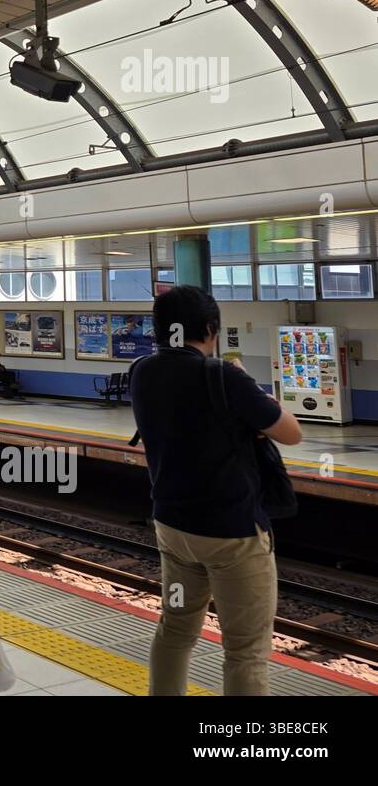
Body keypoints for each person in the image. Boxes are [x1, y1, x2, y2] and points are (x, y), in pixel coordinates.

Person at [130, 285, 302, 696]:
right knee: (245, 650)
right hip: (232, 535)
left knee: (174, 628)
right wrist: (245, 381)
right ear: (211, 328)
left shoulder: (142, 371)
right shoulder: (224, 376)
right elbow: (291, 432)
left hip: (173, 529)